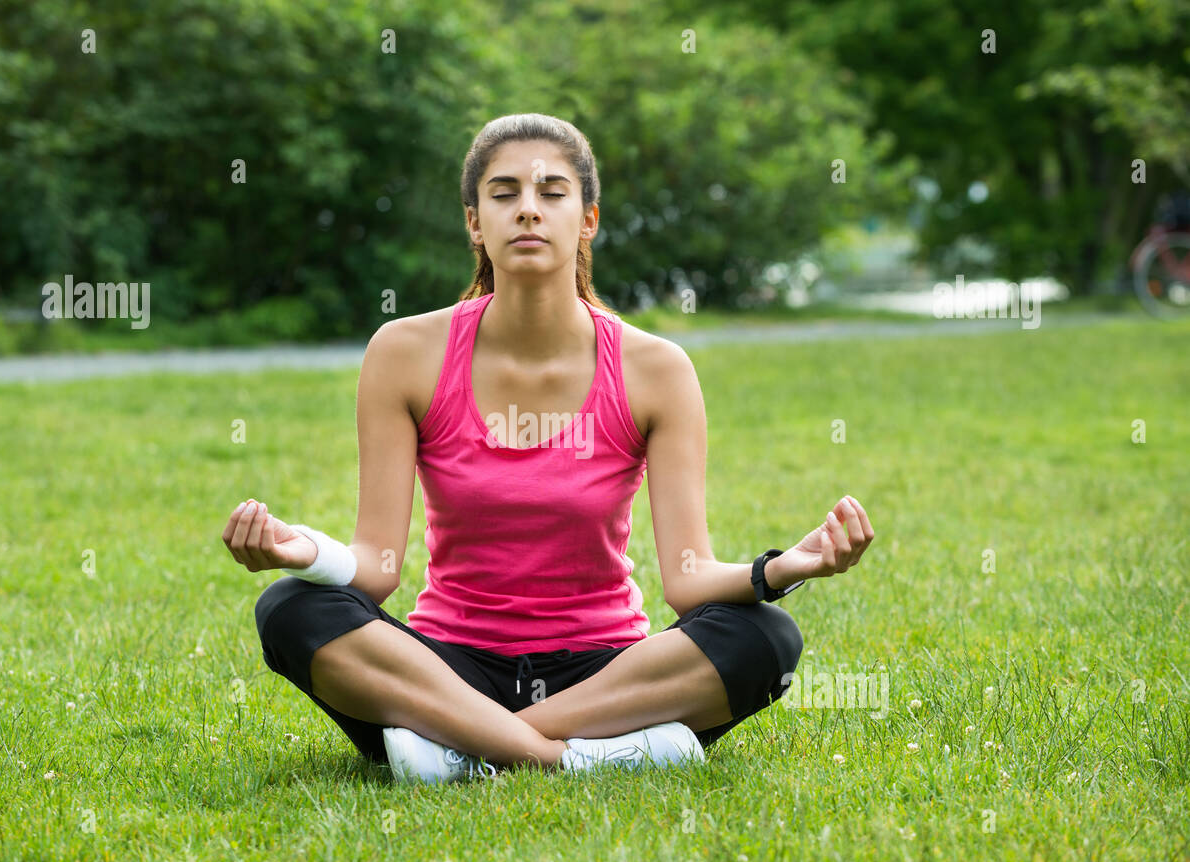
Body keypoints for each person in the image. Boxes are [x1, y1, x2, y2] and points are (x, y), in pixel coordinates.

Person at [222, 113, 874, 784]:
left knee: (765, 638)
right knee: (291, 607)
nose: (528, 210)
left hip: (602, 670)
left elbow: (688, 579)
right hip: (448, 665)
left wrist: (782, 568)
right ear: (475, 221)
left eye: (551, 192)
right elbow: (377, 566)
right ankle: (574, 759)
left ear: (588, 218)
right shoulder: (405, 353)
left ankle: (457, 750)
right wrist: (307, 551)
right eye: (503, 193)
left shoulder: (656, 368)